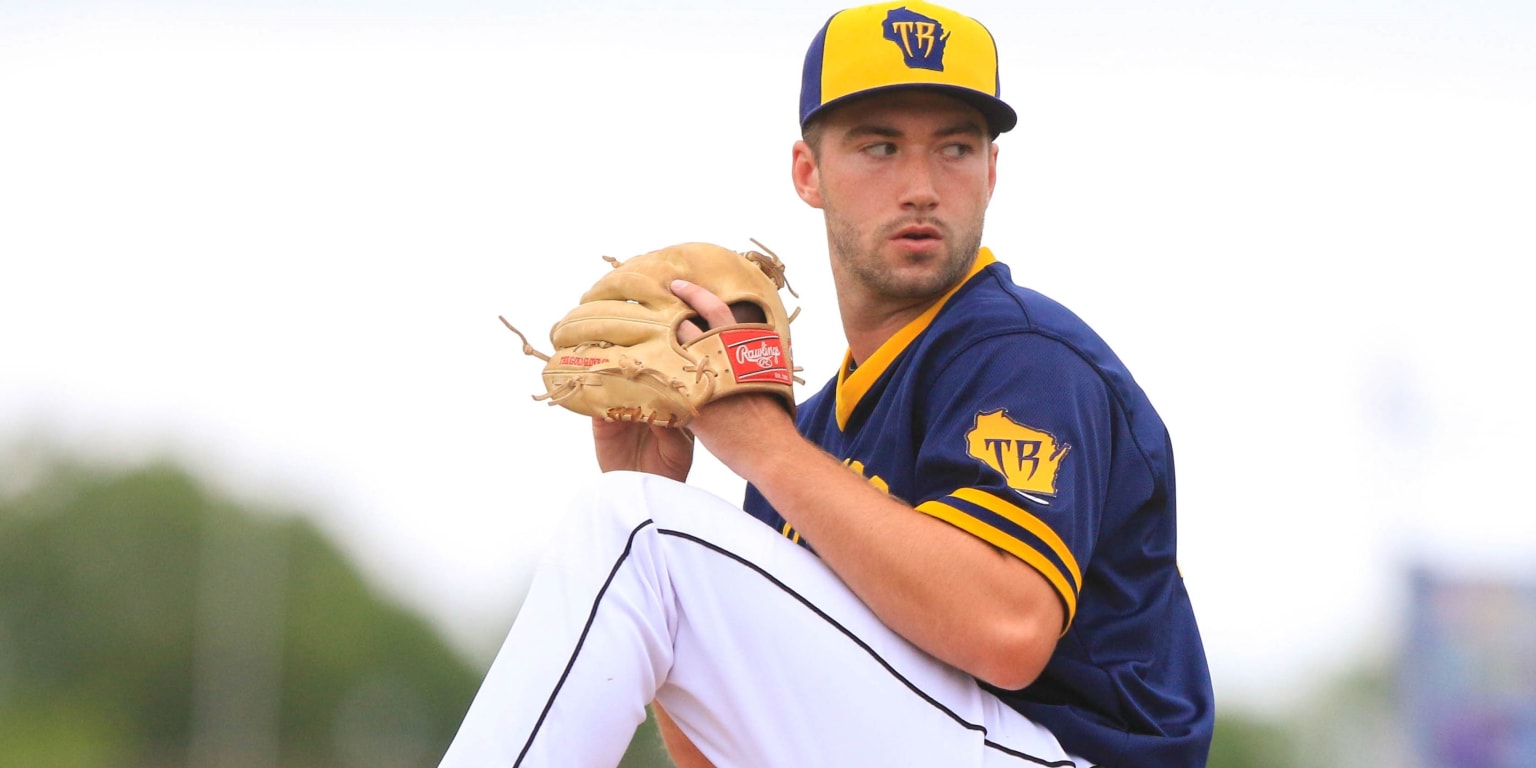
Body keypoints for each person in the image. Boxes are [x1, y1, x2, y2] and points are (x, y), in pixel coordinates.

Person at [439, 2, 1214, 766]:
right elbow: (735, 747)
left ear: (991, 172)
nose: (921, 186)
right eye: (880, 148)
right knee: (644, 519)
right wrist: (668, 502)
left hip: (1069, 755)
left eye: (954, 148)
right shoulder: (810, 436)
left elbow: (1007, 634)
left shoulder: (1021, 356)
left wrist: (757, 455)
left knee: (633, 529)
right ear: (808, 173)